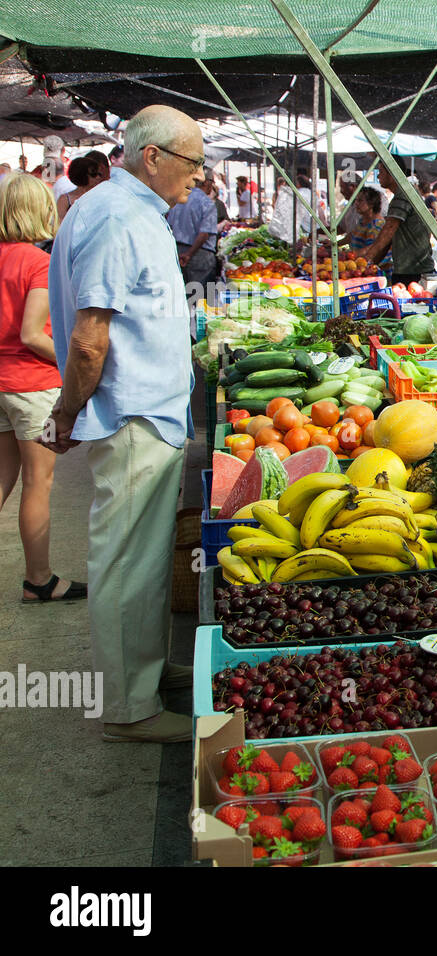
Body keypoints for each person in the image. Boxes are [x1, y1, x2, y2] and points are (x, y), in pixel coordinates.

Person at [45, 103, 203, 744]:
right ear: (153, 157)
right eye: (193, 162)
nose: (200, 176)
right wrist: (65, 411)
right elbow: (89, 339)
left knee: (143, 562)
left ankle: (144, 670)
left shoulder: (134, 213)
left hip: (150, 416)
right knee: (126, 564)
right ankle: (126, 708)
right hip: (131, 415)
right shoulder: (116, 217)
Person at [0, 172, 87, 604]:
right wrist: (74, 364)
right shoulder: (36, 262)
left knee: (1, 478)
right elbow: (32, 333)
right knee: (38, 482)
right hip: (31, 386)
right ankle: (39, 580)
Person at [364, 164, 434, 285]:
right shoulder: (404, 193)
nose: (379, 175)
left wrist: (366, 260)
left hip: (414, 272)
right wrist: (371, 263)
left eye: (381, 171)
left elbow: (389, 229)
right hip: (407, 270)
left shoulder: (404, 194)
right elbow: (389, 237)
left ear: (391, 174)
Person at [166, 164, 218, 307]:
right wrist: (189, 254)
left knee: (182, 299)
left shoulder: (180, 199)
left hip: (178, 252)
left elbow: (169, 227)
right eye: (212, 183)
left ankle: (186, 328)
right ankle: (201, 328)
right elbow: (204, 233)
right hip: (199, 255)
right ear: (206, 183)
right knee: (203, 302)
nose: (211, 187)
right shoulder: (207, 203)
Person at [345, 186, 392, 271]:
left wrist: (351, 255)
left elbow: (371, 248)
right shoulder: (362, 221)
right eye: (356, 200)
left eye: (360, 201)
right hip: (360, 266)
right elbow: (351, 236)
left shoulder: (376, 225)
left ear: (371, 204)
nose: (356, 203)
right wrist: (333, 244)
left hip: (375, 270)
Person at [55, 157, 108, 225]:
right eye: (93, 174)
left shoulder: (101, 197)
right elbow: (60, 226)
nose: (98, 177)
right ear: (82, 175)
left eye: (99, 174)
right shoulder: (65, 199)